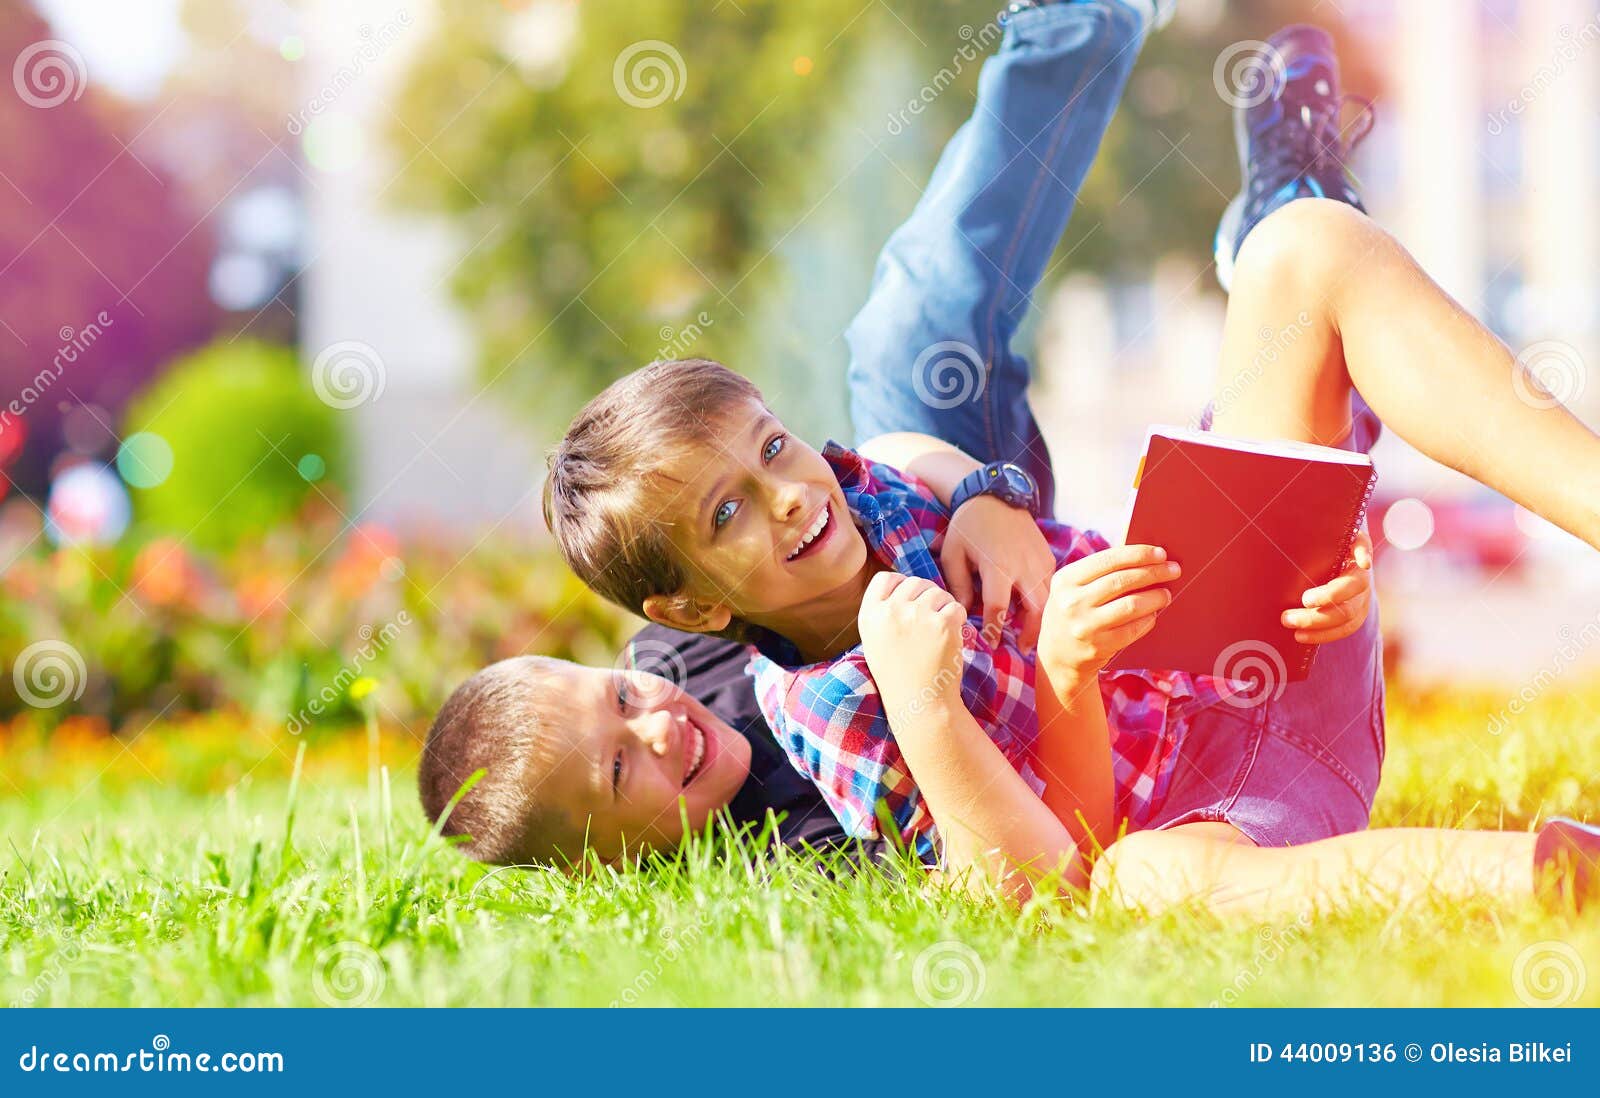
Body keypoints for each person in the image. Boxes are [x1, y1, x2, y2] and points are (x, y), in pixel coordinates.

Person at [542, 22, 1600, 913]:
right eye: (729, 510)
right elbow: (1046, 878)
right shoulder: (840, 714)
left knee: (1307, 250)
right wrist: (1013, 690)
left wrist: (983, 494)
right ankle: (1557, 874)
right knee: (1143, 881)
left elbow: (899, 446)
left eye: (774, 446)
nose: (789, 493)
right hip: (1231, 820)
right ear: (688, 605)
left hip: (1257, 655)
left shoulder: (872, 499)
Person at [418, 0, 1161, 868]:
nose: (658, 726)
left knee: (903, 341)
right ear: (600, 859)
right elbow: (1011, 865)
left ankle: (1081, 29)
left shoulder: (680, 650)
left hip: (969, 542)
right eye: (619, 772)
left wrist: (979, 493)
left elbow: (859, 465)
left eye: (622, 696)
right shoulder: (793, 839)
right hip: (1051, 705)